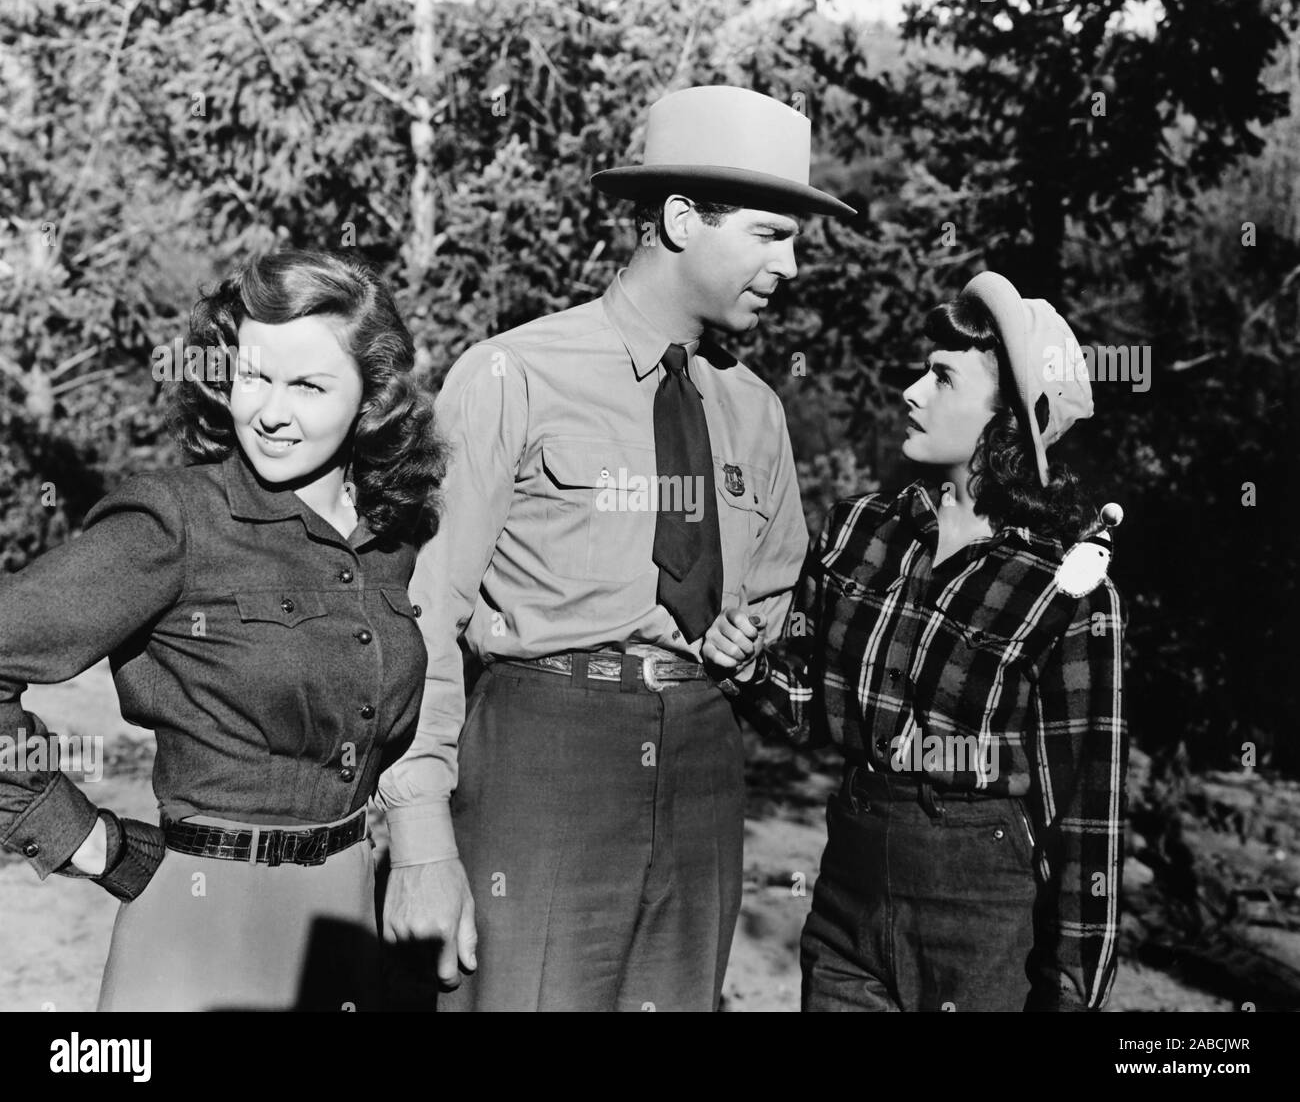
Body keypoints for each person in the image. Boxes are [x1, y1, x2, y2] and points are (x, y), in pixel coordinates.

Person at [376, 85, 856, 1011]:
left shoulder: (754, 410)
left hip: (708, 763)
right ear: (680, 219)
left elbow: (776, 601)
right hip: (543, 755)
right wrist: (422, 833)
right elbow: (423, 611)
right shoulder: (515, 374)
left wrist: (751, 640)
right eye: (770, 234)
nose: (792, 265)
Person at [0, 250, 445, 1010]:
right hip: (200, 922)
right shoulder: (173, 521)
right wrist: (81, 836)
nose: (271, 411)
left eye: (308, 385)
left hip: (346, 922)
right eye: (254, 376)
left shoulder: (398, 536)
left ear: (372, 398)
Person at [704, 271, 1127, 1011]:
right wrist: (747, 668)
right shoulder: (861, 530)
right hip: (849, 898)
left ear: (1008, 421)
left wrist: (1072, 991)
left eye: (941, 378)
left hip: (983, 920)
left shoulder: (1067, 590)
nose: (911, 392)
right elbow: (812, 707)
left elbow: (1088, 810)